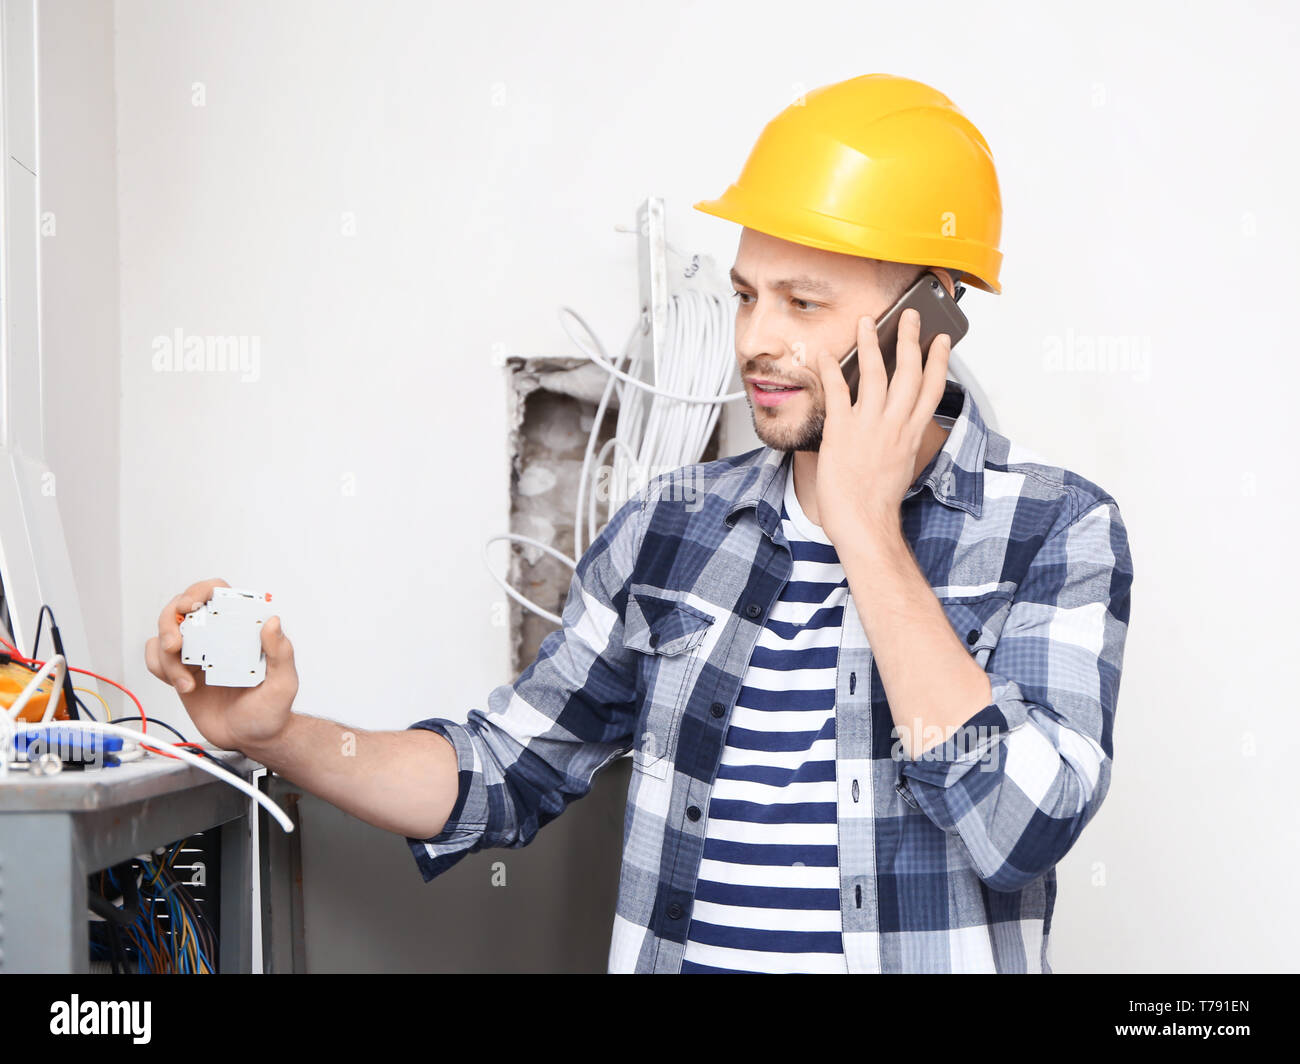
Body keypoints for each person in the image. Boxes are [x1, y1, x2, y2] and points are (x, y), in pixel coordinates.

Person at [145, 73, 1133, 974]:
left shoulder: (1053, 528)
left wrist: (866, 531)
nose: (755, 339)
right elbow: (500, 770)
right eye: (747, 294)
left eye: (802, 301)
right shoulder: (669, 531)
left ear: (925, 321)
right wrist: (278, 734)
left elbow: (1019, 825)